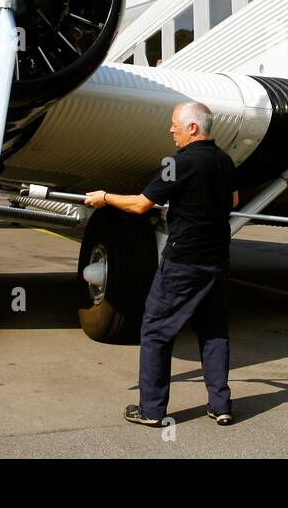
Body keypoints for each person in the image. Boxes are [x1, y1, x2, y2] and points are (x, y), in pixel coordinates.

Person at [84, 100, 238, 427]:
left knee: (155, 331)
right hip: (217, 260)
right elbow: (234, 200)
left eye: (175, 125)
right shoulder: (224, 160)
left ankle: (152, 411)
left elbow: (141, 204)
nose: (171, 130)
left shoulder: (178, 163)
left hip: (183, 262)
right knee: (213, 331)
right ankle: (220, 405)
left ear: (192, 128)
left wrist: (105, 198)